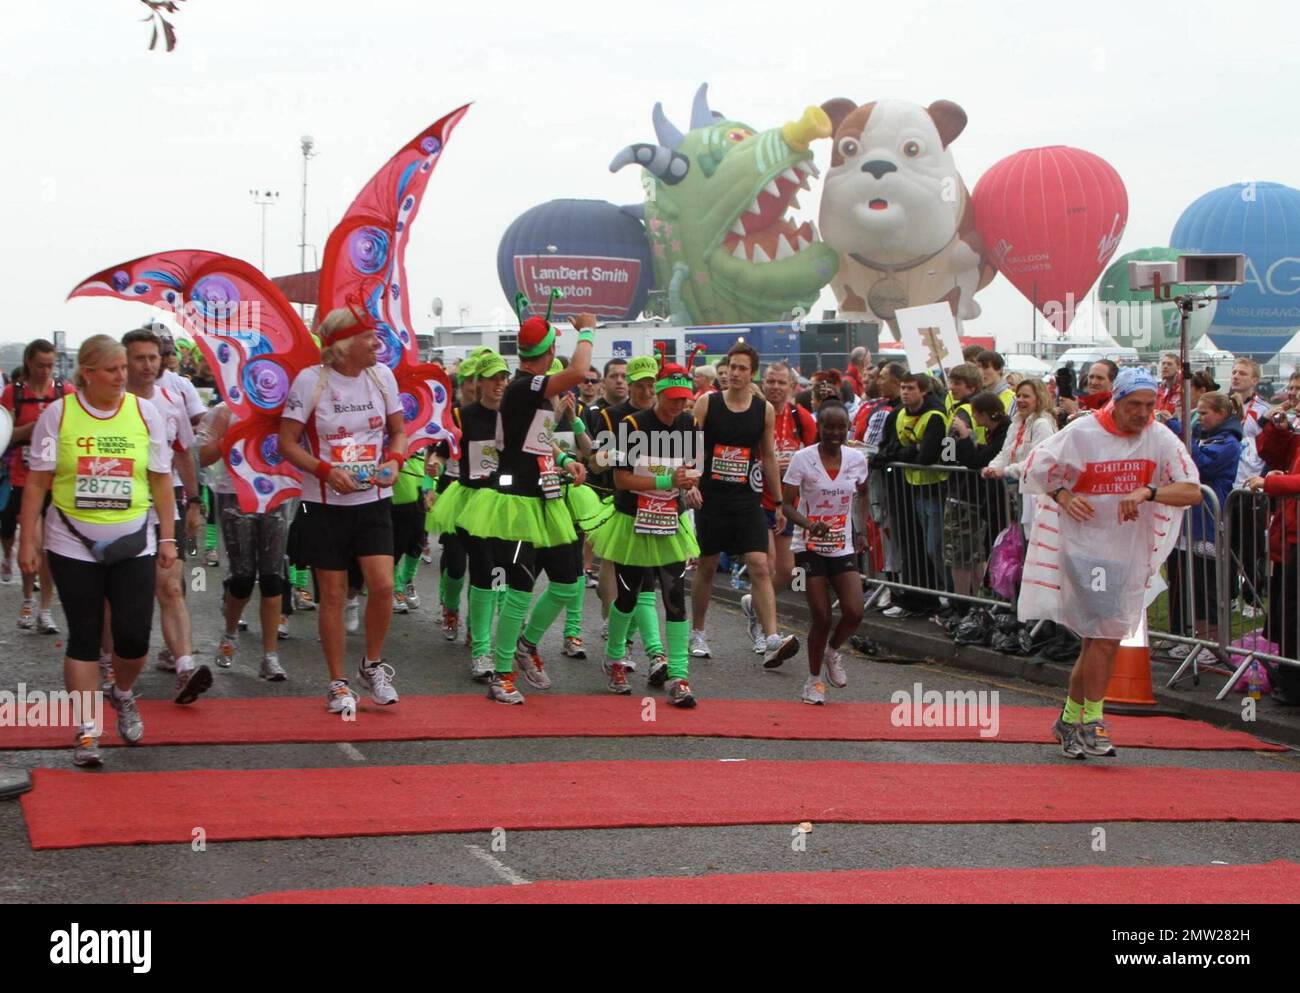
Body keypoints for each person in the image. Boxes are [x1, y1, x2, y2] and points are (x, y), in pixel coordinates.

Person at [20, 335, 187, 766]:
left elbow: (161, 480)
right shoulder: (58, 415)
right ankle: (87, 730)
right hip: (71, 542)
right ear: (88, 374)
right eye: (112, 369)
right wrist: (28, 540)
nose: (122, 376)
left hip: (134, 540)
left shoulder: (144, 412)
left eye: (123, 369)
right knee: (85, 636)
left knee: (133, 641)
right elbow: (37, 482)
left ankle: (122, 692)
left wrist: (167, 538)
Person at [1018, 368, 1201, 759]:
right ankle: (1093, 720)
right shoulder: (1084, 432)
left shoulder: (1159, 436)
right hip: (1086, 548)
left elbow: (1192, 491)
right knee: (1103, 637)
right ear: (1115, 401)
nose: (1143, 413)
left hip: (1129, 551)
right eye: (1134, 404)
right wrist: (1065, 497)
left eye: (1150, 405)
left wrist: (1150, 491)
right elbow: (1036, 465)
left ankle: (1070, 719)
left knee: (1100, 639)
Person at [455, 304, 595, 705]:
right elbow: (580, 372)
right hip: (517, 502)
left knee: (568, 584)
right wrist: (586, 332)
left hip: (548, 498)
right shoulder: (522, 386)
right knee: (518, 589)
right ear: (550, 352)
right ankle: (501, 675)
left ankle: (526, 643)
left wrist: (566, 460)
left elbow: (539, 438)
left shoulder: (533, 392)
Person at [278, 305, 409, 716]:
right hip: (324, 504)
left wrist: (394, 461)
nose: (378, 343)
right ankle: (337, 683)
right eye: (370, 337)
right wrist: (325, 470)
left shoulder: (381, 376)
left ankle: (372, 664)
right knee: (332, 596)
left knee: (383, 585)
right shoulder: (310, 382)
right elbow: (288, 442)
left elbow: (400, 431)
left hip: (372, 501)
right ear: (345, 344)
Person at [590, 352, 702, 702]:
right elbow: (620, 479)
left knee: (674, 599)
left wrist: (691, 486)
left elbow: (692, 467)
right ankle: (615, 658)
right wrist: (668, 478)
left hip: (669, 520)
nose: (677, 407)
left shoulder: (689, 425)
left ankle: (679, 677)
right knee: (627, 597)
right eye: (672, 400)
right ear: (658, 395)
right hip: (631, 521)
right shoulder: (631, 426)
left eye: (684, 401)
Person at [689, 342, 799, 668]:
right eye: (731, 367)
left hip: (747, 498)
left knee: (760, 564)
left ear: (752, 374)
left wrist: (778, 502)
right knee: (707, 565)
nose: (735, 374)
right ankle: (697, 631)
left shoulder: (762, 409)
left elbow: (767, 456)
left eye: (742, 369)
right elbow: (691, 452)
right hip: (711, 497)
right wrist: (690, 485)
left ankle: (772, 638)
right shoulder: (705, 404)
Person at [122, 328, 206, 693]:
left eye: (153, 358)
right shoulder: (111, 400)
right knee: (122, 594)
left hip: (166, 498)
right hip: (119, 503)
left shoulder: (173, 398)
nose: (147, 365)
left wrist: (195, 502)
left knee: (171, 586)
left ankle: (185, 666)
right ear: (124, 360)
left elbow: (185, 453)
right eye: (139, 358)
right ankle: (111, 665)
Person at [428, 350, 511, 679]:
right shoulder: (462, 417)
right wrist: (431, 470)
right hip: (469, 502)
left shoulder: (512, 416)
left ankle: (488, 635)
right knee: (479, 568)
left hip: (505, 503)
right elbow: (439, 451)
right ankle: (481, 651)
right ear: (479, 383)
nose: (500, 384)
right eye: (493, 378)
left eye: (504, 378)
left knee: (501, 573)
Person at [781, 401, 868, 704]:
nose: (834, 432)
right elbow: (786, 504)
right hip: (807, 547)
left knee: (855, 611)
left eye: (840, 427)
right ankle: (814, 680)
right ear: (819, 428)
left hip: (841, 544)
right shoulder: (802, 459)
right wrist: (809, 524)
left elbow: (863, 493)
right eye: (828, 427)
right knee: (820, 615)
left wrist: (861, 529)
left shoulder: (857, 459)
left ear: (848, 428)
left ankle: (832, 651)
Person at [196, 402, 290, 680]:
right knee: (242, 577)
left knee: (273, 577)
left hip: (276, 496)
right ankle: (229, 633)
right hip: (234, 494)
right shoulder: (225, 411)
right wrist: (232, 435)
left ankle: (270, 657)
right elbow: (201, 457)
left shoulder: (285, 407)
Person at [587, 355, 665, 670]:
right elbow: (594, 463)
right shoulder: (610, 417)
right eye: (640, 385)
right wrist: (619, 453)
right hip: (619, 503)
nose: (647, 391)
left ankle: (632, 647)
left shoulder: (666, 416)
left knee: (647, 581)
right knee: (634, 579)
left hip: (661, 505)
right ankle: (645, 650)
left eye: (651, 385)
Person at [1164, 392, 1242, 663]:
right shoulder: (1203, 437)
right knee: (1188, 583)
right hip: (1188, 523)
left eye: (1204, 412)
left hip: (1208, 521)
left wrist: (1179, 432)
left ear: (1221, 414)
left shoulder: (1228, 442)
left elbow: (1201, 465)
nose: (1200, 417)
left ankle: (1212, 642)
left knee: (1207, 586)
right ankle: (1193, 637)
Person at [1, 339, 72, 632]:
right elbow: (6, 435)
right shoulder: (12, 393)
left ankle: (44, 609)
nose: (45, 371)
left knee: (48, 547)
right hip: (23, 478)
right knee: (28, 543)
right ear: (29, 362)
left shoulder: (64, 392)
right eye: (40, 365)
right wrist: (32, 428)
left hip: (57, 480)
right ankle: (28, 600)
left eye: (50, 365)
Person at [751, 360, 817, 642]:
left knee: (787, 570)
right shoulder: (753, 413)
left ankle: (754, 605)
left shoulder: (802, 418)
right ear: (763, 384)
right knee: (765, 566)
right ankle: (767, 633)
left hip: (787, 503)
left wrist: (794, 466)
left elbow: (815, 456)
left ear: (792, 387)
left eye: (781, 383)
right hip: (755, 499)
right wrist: (766, 464)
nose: (775, 387)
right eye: (770, 382)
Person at [875, 372, 949, 618]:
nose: (905, 392)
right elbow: (886, 448)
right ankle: (914, 598)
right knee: (909, 547)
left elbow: (927, 456)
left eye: (910, 388)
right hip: (907, 490)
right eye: (903, 387)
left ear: (924, 391)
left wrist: (902, 453)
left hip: (933, 491)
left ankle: (942, 599)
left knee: (931, 547)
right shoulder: (896, 414)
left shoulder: (935, 415)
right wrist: (908, 451)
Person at [1250, 402, 1300, 703]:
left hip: (1294, 533)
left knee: (1293, 611)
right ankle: (1289, 679)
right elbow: (1272, 454)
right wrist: (1277, 430)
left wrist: (1270, 482)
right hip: (1289, 535)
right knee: (1286, 611)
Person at [946, 391, 1012, 610]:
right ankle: (986, 600)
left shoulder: (1004, 433)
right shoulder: (994, 433)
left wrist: (965, 437)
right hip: (991, 501)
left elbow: (977, 461)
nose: (973, 419)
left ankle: (998, 601)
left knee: (998, 549)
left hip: (1002, 503)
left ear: (985, 414)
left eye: (975, 414)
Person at [982, 379, 1058, 542]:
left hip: (1036, 496)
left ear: (1038, 398)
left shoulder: (1042, 424)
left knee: (1033, 542)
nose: (1021, 400)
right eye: (1018, 395)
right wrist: (993, 467)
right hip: (1016, 494)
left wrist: (1007, 471)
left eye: (1026, 396)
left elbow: (1038, 461)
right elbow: (1005, 453)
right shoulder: (1015, 423)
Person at [1229, 358, 1272, 618]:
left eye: (1242, 373)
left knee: (1251, 545)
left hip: (1251, 486)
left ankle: (1252, 598)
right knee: (1227, 544)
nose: (1236, 376)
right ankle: (1231, 594)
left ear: (1254, 380)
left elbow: (1269, 449)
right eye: (1234, 372)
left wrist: (1263, 477)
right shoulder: (1224, 405)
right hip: (1228, 485)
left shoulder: (1263, 410)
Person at [1155, 351, 1182, 420]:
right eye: (1163, 364)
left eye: (1169, 364)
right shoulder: (1159, 389)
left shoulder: (1182, 389)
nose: (1165, 366)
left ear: (1178, 367)